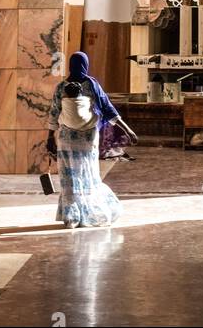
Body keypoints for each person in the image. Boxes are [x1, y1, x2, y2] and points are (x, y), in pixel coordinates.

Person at [45, 51, 137, 228]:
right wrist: (128, 130)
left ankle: (71, 217)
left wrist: (49, 137)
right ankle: (91, 213)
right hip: (88, 139)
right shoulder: (92, 85)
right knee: (88, 174)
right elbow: (108, 108)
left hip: (66, 139)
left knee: (69, 176)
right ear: (85, 65)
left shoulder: (61, 87)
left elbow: (54, 113)